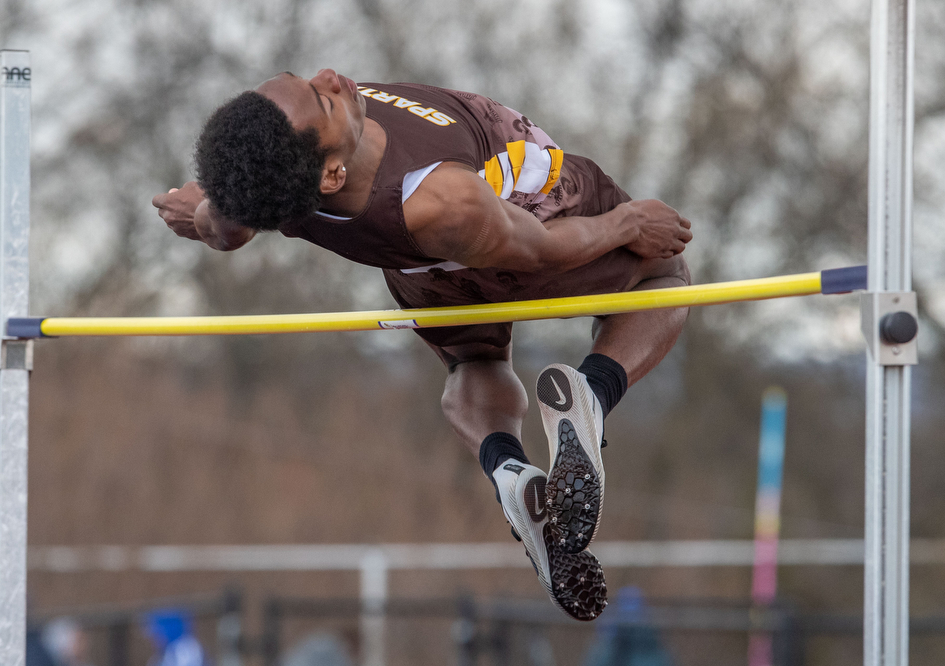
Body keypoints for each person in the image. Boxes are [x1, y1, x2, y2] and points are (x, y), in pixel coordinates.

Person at [153, 70, 692, 621]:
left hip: (426, 271)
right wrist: (627, 222)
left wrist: (202, 208)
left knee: (474, 366)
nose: (333, 79)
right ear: (333, 174)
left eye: (310, 80)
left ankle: (507, 467)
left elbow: (223, 229)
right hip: (521, 214)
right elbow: (541, 252)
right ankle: (591, 396)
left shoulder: (274, 184)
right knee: (665, 280)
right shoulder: (443, 197)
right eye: (325, 99)